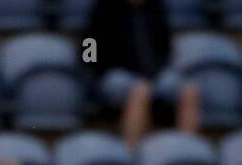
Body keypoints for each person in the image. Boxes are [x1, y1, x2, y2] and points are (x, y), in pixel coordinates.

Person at [85, 0, 199, 146]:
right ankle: (133, 151)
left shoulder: (156, 8)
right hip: (113, 74)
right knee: (141, 90)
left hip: (154, 74)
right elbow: (88, 45)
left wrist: (158, 69)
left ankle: (187, 151)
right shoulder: (104, 8)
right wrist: (96, 71)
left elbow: (165, 47)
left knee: (189, 90)